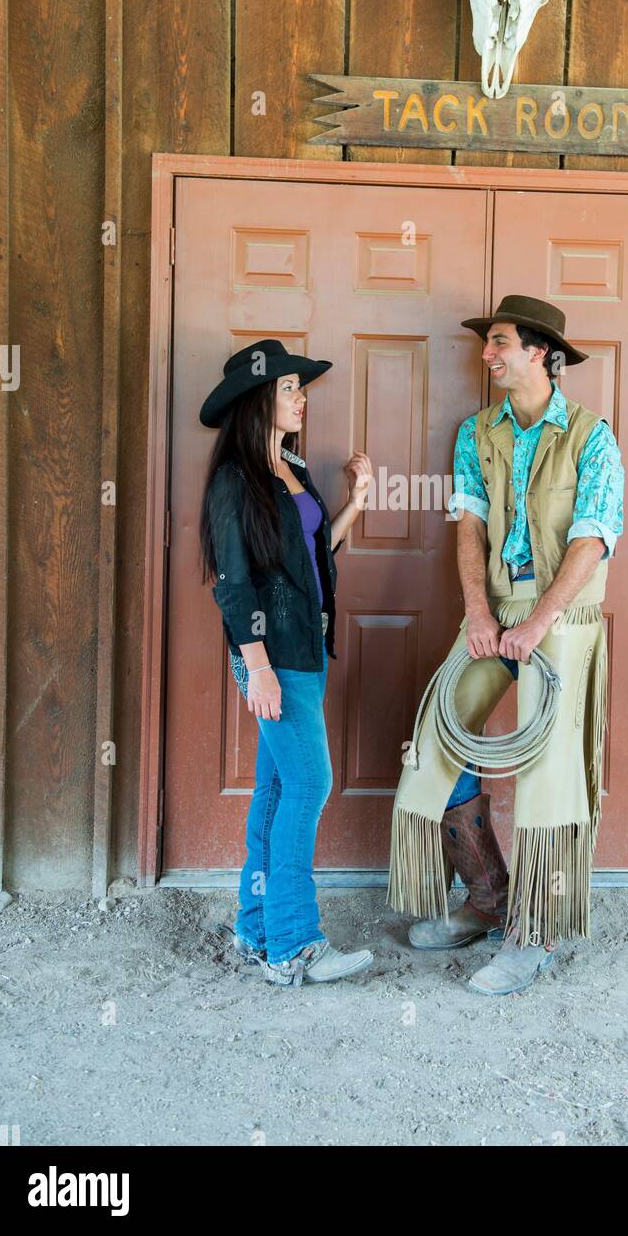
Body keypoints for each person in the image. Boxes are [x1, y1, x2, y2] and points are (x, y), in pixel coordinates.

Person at [387, 295, 625, 996]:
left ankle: (537, 929)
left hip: (564, 615)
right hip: (492, 610)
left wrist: (538, 621)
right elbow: (468, 526)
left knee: (549, 769)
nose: (486, 355)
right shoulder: (477, 433)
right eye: (486, 344)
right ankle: (488, 893)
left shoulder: (592, 436)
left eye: (497, 343)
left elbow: (591, 538)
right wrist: (477, 614)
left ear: (538, 353)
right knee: (440, 733)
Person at [199, 338, 375, 987]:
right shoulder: (234, 481)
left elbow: (310, 555)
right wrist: (259, 668)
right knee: (308, 786)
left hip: (307, 649)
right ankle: (295, 944)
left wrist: (357, 500)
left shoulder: (292, 470)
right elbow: (233, 585)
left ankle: (255, 926)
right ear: (258, 402)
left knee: (277, 787)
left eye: (301, 389)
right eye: (289, 390)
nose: (301, 399)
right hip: (272, 656)